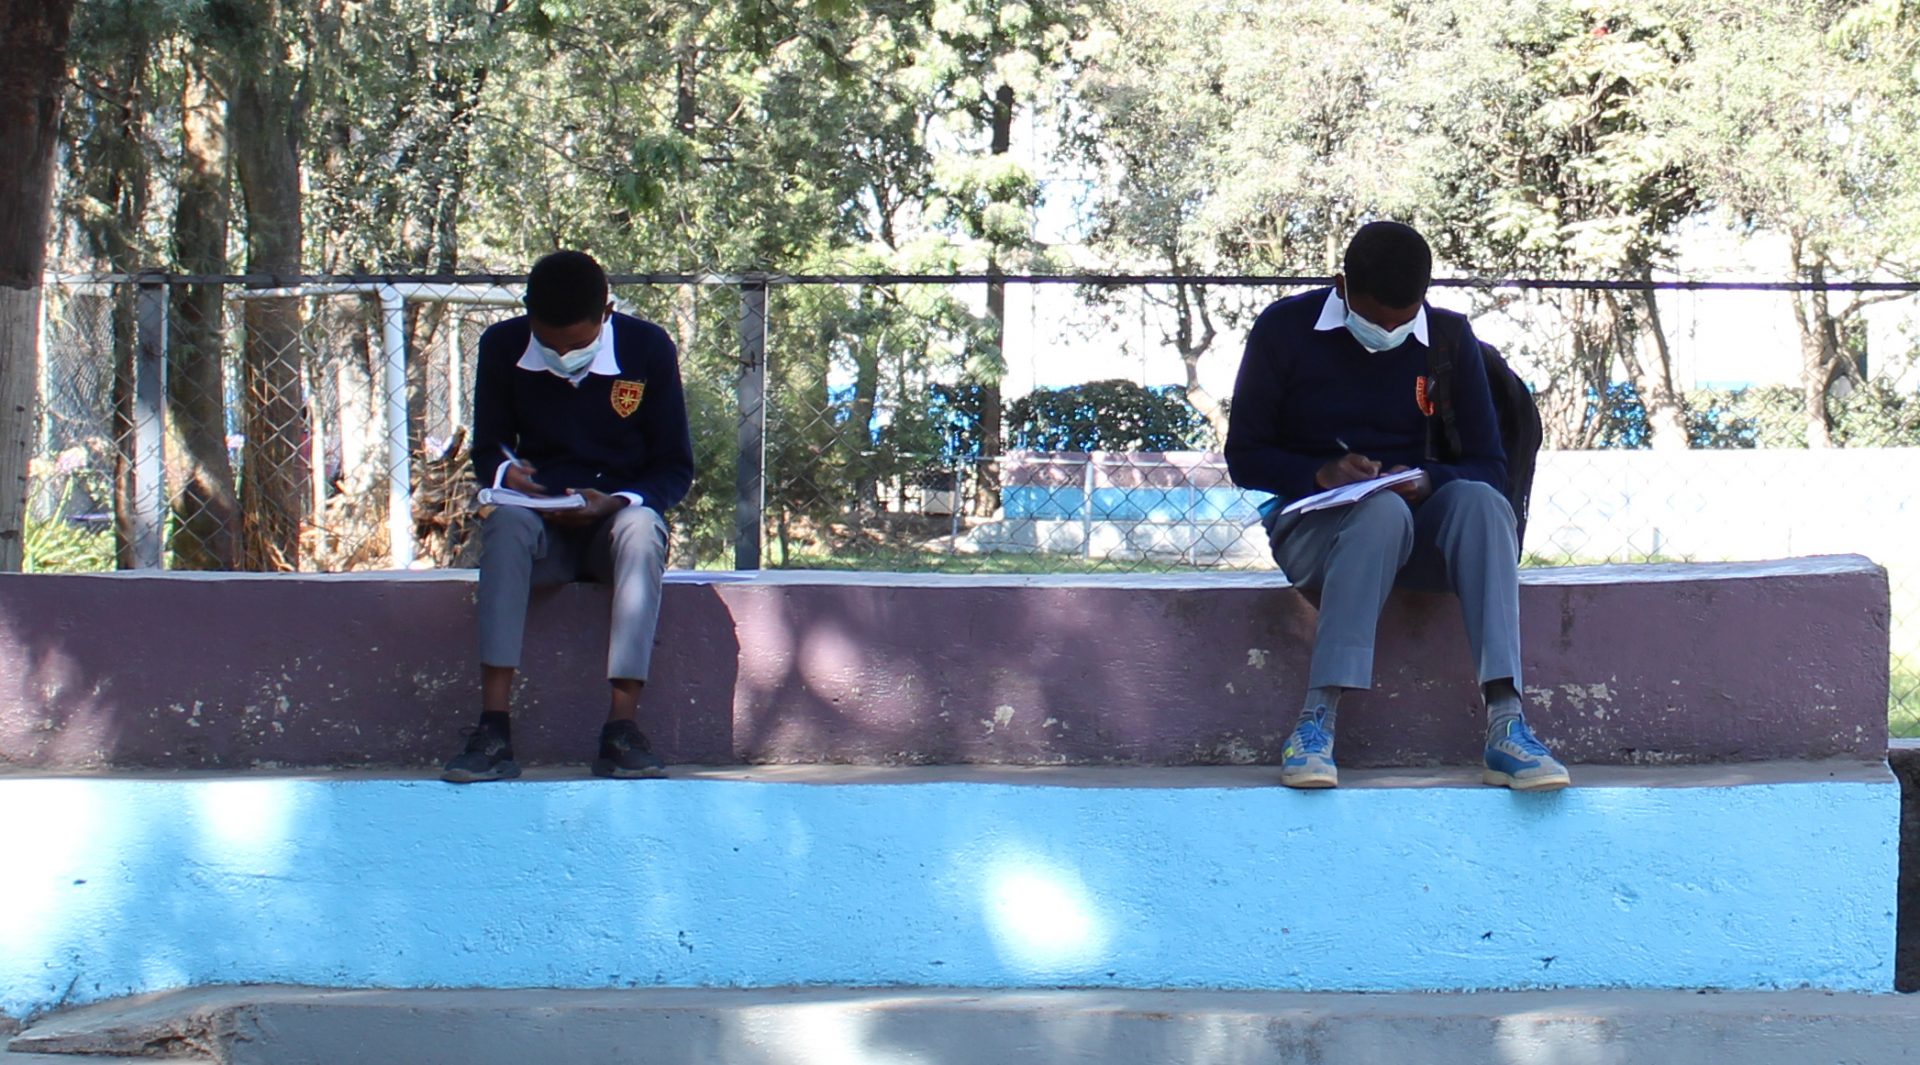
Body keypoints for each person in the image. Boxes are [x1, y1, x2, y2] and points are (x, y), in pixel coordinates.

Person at [1224, 221, 1568, 791]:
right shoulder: (1285, 329)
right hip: (1318, 531)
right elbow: (1245, 456)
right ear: (1341, 285)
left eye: (1402, 319)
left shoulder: (1449, 340)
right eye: (1375, 316)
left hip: (1422, 527)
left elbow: (1489, 464)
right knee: (1378, 514)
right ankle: (1315, 724)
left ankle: (1508, 724)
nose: (1388, 330)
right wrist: (1320, 474)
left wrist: (1427, 481)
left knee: (1481, 503)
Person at [441, 250, 694, 783]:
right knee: (504, 525)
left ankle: (620, 731)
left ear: (606, 313)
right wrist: (507, 477)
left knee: (644, 529)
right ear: (528, 313)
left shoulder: (647, 348)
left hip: (613, 522)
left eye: (577, 345)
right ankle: (493, 729)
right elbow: (489, 448)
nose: (562, 355)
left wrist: (618, 501)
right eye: (549, 343)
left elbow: (674, 468)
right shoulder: (502, 346)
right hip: (539, 526)